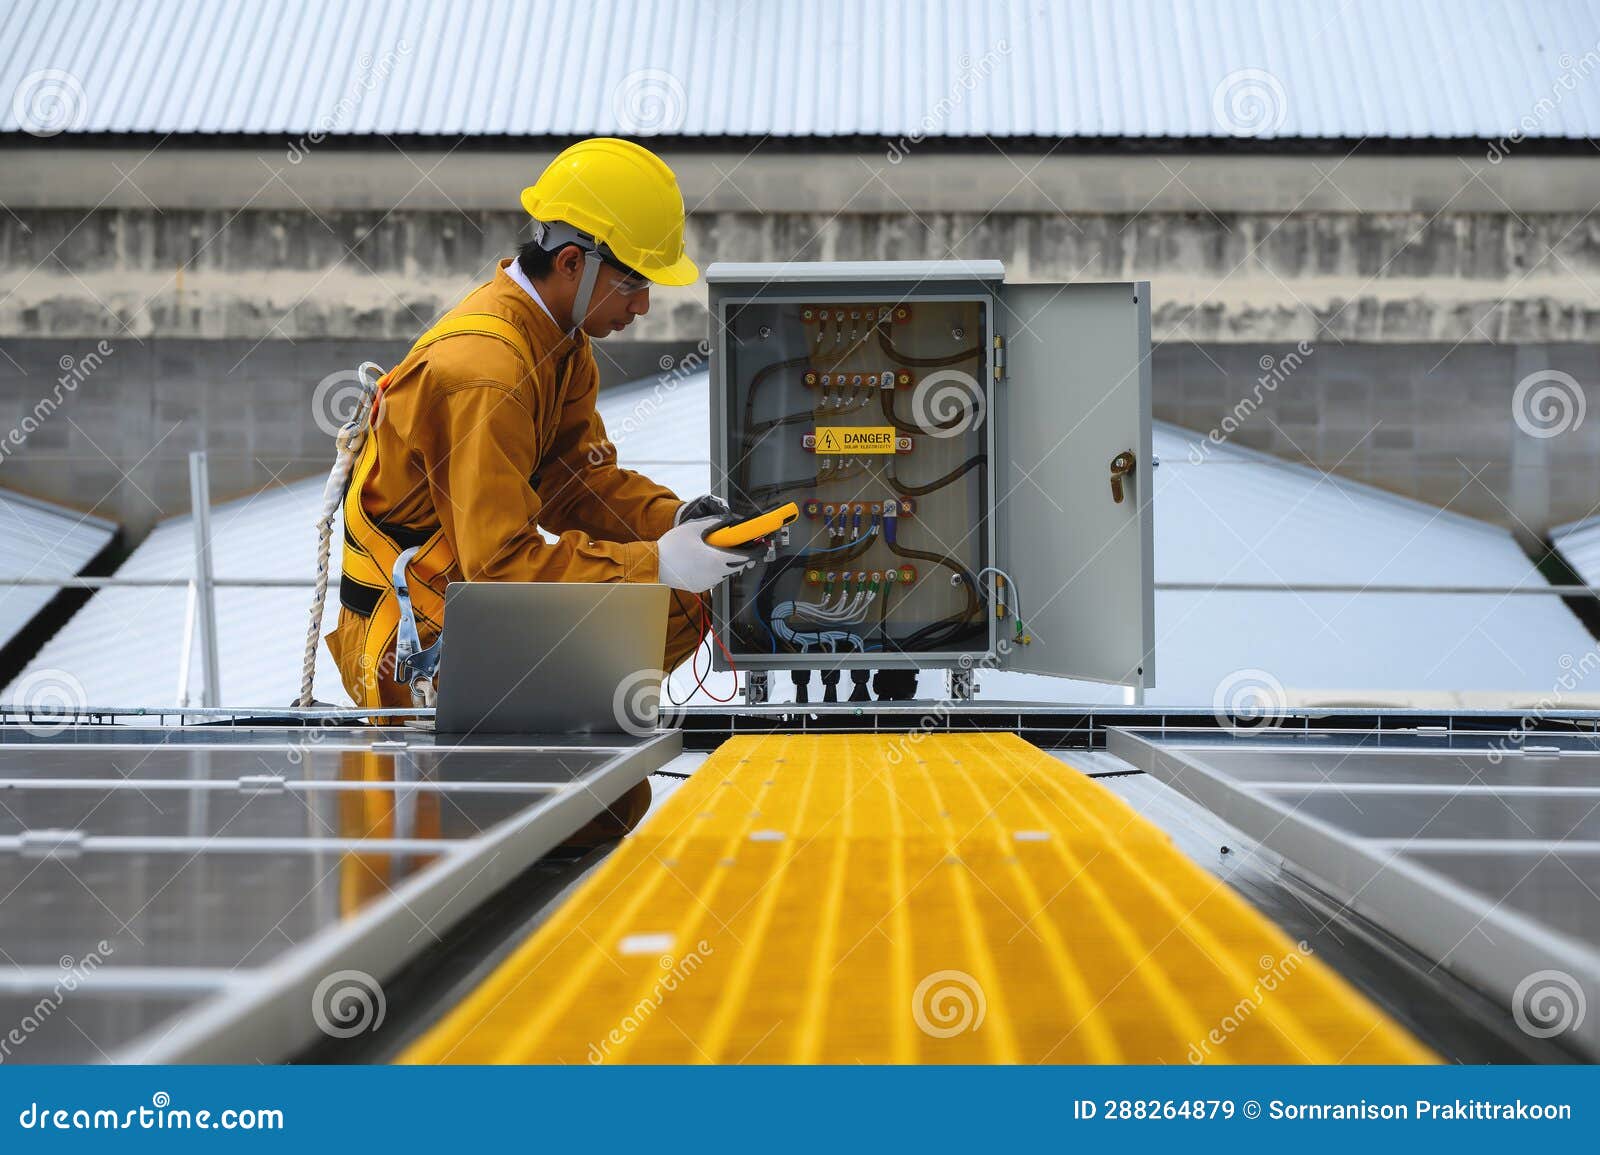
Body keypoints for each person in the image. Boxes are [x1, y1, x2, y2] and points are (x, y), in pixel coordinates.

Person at [325, 138, 750, 837]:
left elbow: (574, 480)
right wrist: (660, 563)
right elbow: (499, 568)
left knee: (673, 618)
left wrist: (676, 520)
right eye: (636, 282)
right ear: (573, 263)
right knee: (603, 796)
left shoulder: (557, 339)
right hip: (417, 645)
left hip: (466, 612)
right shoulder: (489, 372)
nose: (644, 306)